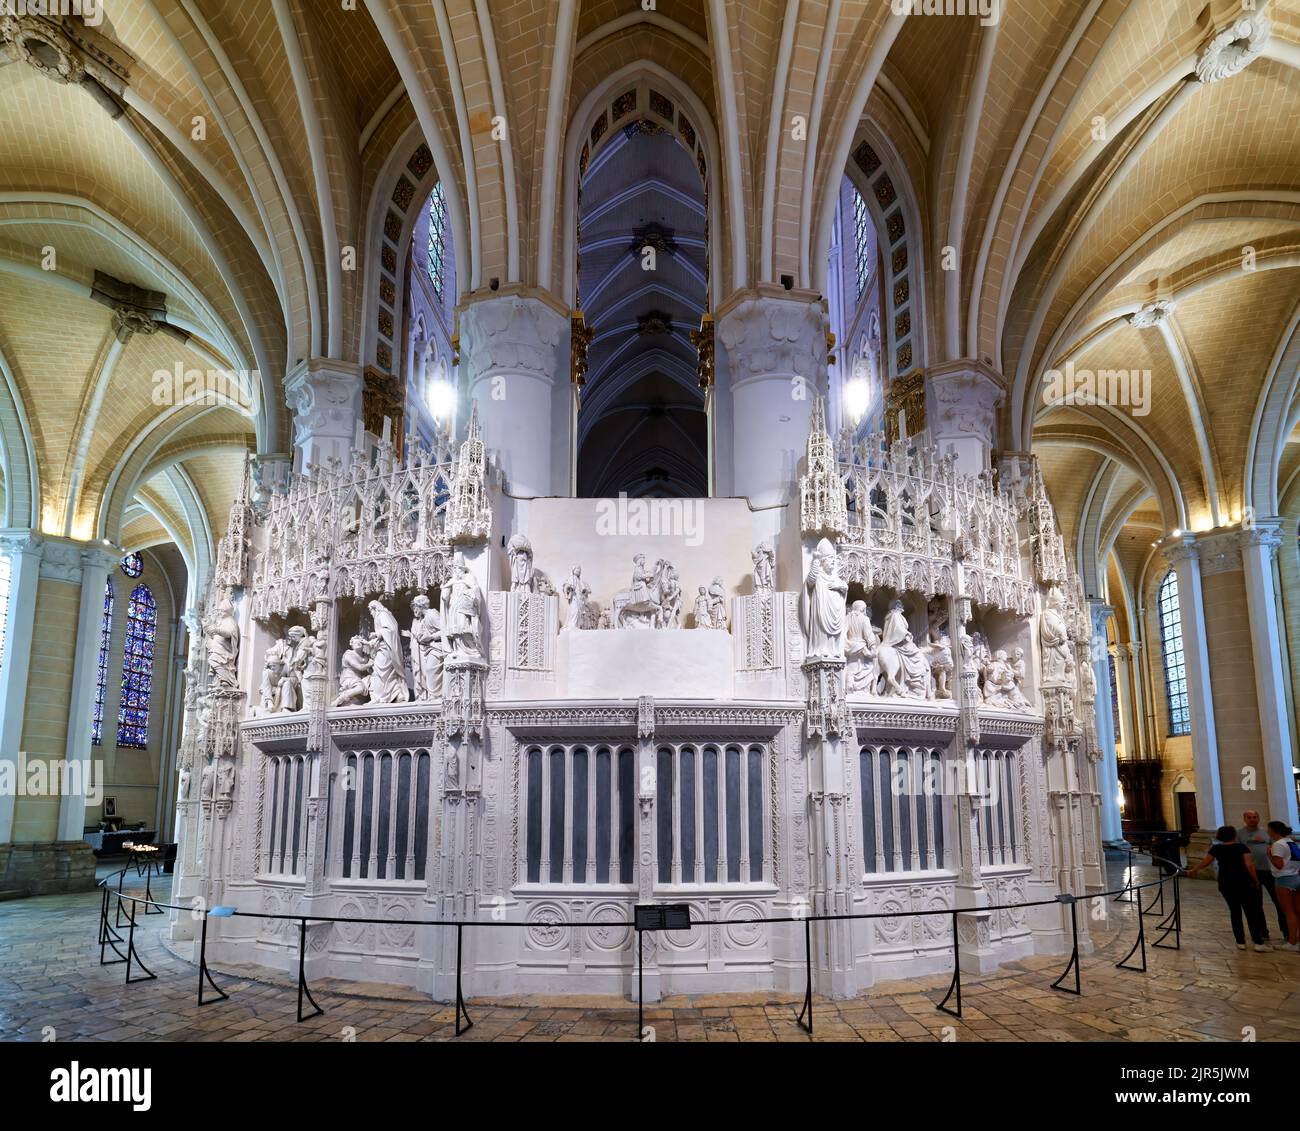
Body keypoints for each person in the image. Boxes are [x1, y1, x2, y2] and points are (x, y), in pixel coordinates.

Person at [1186, 825, 1270, 951]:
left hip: (1226, 882)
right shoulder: (1241, 847)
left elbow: (1206, 861)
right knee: (1250, 912)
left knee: (1234, 911)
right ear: (1234, 835)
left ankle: (1240, 941)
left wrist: (1194, 869)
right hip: (1244, 882)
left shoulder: (1216, 848)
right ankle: (1258, 942)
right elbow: (1249, 864)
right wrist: (1256, 880)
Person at [1239, 810, 1287, 939]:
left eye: (1255, 817)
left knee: (1279, 901)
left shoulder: (1267, 833)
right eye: (1249, 817)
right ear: (1244, 819)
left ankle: (1286, 931)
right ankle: (1262, 931)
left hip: (1269, 871)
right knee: (1255, 903)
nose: (1252, 819)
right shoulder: (1240, 834)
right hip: (1252, 872)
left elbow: (1275, 847)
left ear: (1258, 818)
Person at [1264, 820, 1300, 950]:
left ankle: (1292, 942)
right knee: (1297, 911)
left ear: (1274, 831)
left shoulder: (1278, 845)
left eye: (1269, 830)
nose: (1268, 832)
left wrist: (1269, 855)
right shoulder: (1291, 842)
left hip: (1284, 879)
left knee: (1289, 912)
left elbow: (1279, 865)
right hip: (1296, 877)